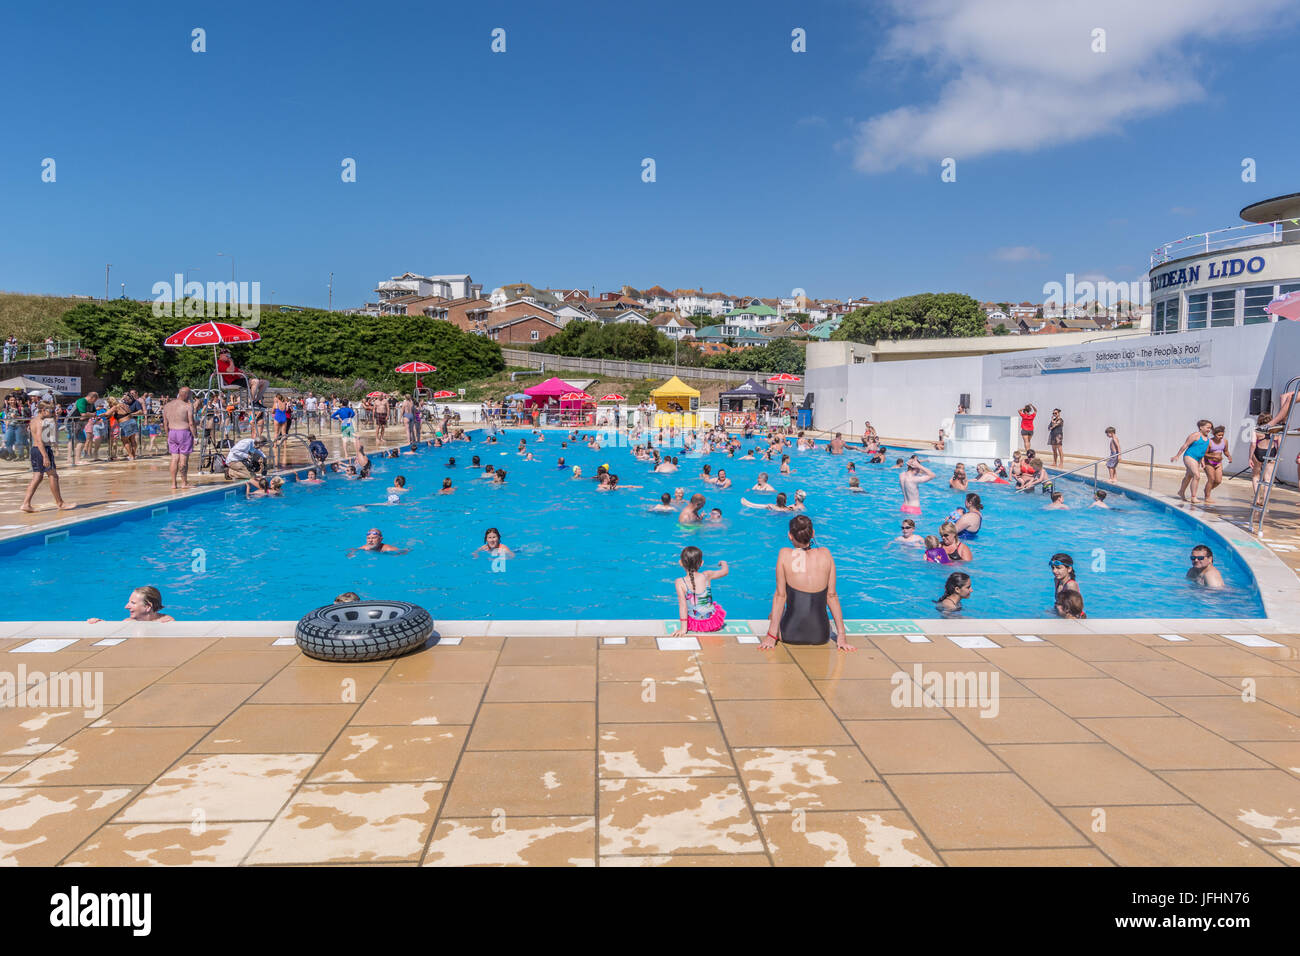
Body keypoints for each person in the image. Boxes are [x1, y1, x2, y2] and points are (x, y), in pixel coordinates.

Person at [760, 515, 854, 651]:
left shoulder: (785, 554)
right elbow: (831, 596)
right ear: (813, 534)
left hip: (790, 634)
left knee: (772, 615)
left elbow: (780, 596)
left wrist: (771, 636)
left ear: (790, 535)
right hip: (821, 635)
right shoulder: (826, 554)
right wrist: (842, 637)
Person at [20, 401, 74, 512]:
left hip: (36, 450)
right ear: (43, 410)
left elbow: (51, 431)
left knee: (38, 477)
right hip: (42, 450)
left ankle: (26, 504)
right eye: (50, 411)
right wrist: (45, 456)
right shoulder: (40, 422)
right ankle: (60, 503)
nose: (52, 413)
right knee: (53, 476)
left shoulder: (35, 420)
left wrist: (54, 417)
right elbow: (40, 440)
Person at [670, 546, 729, 636]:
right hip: (713, 623)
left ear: (681, 563)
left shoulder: (680, 582)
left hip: (696, 625)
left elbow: (683, 606)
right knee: (714, 607)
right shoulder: (707, 575)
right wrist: (724, 563)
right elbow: (725, 571)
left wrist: (683, 629)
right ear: (701, 563)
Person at [162, 387, 197, 491]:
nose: (191, 397)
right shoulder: (188, 406)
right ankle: (184, 483)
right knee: (183, 459)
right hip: (184, 432)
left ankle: (173, 484)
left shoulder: (167, 405)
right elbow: (191, 423)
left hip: (172, 432)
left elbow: (165, 423)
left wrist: (167, 435)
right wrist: (195, 436)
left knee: (174, 458)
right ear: (186, 395)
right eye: (190, 394)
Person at [1171, 419, 1212, 502]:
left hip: (1198, 459)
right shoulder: (1196, 435)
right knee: (1197, 475)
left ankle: (1181, 491)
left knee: (1189, 476)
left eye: (1210, 428)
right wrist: (1177, 455)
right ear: (1201, 427)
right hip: (1189, 456)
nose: (1209, 430)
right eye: (1207, 427)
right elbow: (1185, 445)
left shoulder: (1207, 439)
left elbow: (1202, 451)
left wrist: (1203, 461)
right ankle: (1193, 497)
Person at [87, 586, 174, 623]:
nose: (126, 607)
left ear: (147, 607)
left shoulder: (166, 622)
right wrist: (100, 624)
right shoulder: (128, 622)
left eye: (133, 603)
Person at [1201, 425, 1231, 505]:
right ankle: (1207, 496)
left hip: (1218, 463)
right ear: (1214, 434)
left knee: (1218, 481)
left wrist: (1229, 456)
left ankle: (1207, 490)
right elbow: (1204, 454)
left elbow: (1226, 451)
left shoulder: (1225, 441)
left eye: (1222, 435)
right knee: (1211, 479)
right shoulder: (1209, 442)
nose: (1221, 437)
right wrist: (1213, 456)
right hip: (1209, 463)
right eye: (1219, 435)